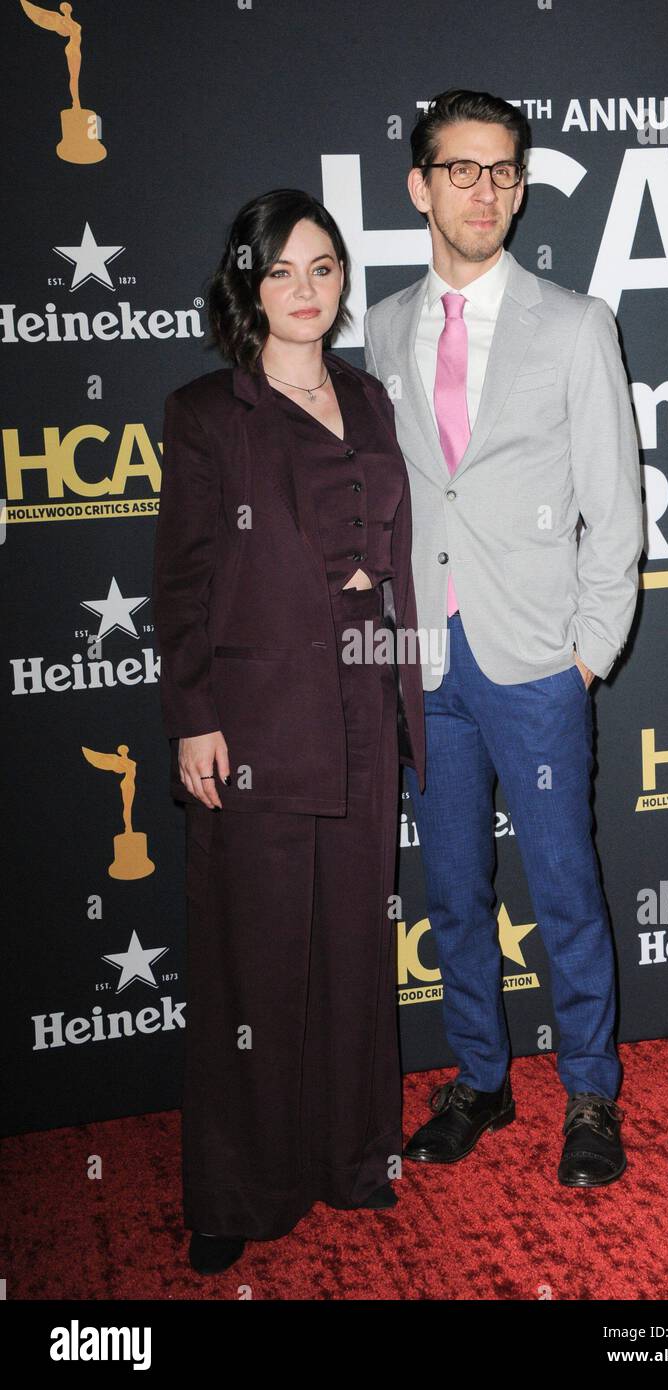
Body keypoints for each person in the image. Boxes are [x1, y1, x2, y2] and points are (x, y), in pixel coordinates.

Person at [364, 89, 644, 1187]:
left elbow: (615, 507)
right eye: (463, 169)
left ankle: (590, 1095)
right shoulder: (381, 327)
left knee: (566, 884)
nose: (486, 190)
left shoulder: (576, 323)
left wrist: (589, 652)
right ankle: (480, 1077)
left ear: (521, 185)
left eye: (505, 171)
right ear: (420, 186)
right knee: (453, 890)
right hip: (423, 660)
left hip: (536, 661)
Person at [152, 189, 425, 1274]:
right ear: (246, 287)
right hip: (256, 717)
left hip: (363, 698)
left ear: (343, 279)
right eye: (281, 273)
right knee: (250, 964)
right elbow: (183, 579)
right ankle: (237, 1187)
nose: (305, 290)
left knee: (355, 949)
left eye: (322, 268)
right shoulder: (209, 412)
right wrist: (192, 717)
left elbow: (392, 549)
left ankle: (354, 1157)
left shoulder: (368, 397)